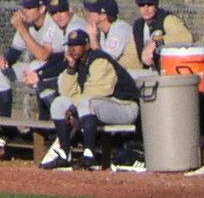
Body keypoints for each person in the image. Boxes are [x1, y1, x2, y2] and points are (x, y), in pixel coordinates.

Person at [41, 28, 141, 170]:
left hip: (125, 106)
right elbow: (68, 94)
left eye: (77, 45)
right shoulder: (76, 63)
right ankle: (64, 154)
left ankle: (89, 155)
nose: (73, 49)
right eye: (70, 45)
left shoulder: (99, 60)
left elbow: (99, 91)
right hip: (100, 107)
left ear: (87, 45)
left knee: (87, 102)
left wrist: (74, 110)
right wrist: (71, 70)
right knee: (59, 104)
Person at [0, 0, 48, 120]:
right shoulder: (27, 25)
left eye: (29, 8)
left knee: (36, 66)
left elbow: (44, 57)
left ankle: (44, 124)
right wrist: (3, 60)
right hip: (38, 71)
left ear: (42, 9)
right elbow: (13, 53)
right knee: (0, 70)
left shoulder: (51, 24)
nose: (24, 11)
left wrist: (21, 28)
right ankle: (5, 124)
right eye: (23, 7)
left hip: (57, 72)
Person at [132, 0, 195, 68]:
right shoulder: (138, 26)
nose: (146, 9)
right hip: (150, 72)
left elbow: (187, 37)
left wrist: (156, 43)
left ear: (156, 5)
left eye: (150, 4)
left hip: (173, 69)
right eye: (142, 5)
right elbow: (132, 56)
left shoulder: (167, 19)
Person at [83, 0, 134, 66]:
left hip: (135, 71)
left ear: (103, 16)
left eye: (92, 11)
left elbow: (105, 62)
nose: (88, 13)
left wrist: (93, 39)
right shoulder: (102, 30)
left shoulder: (120, 31)